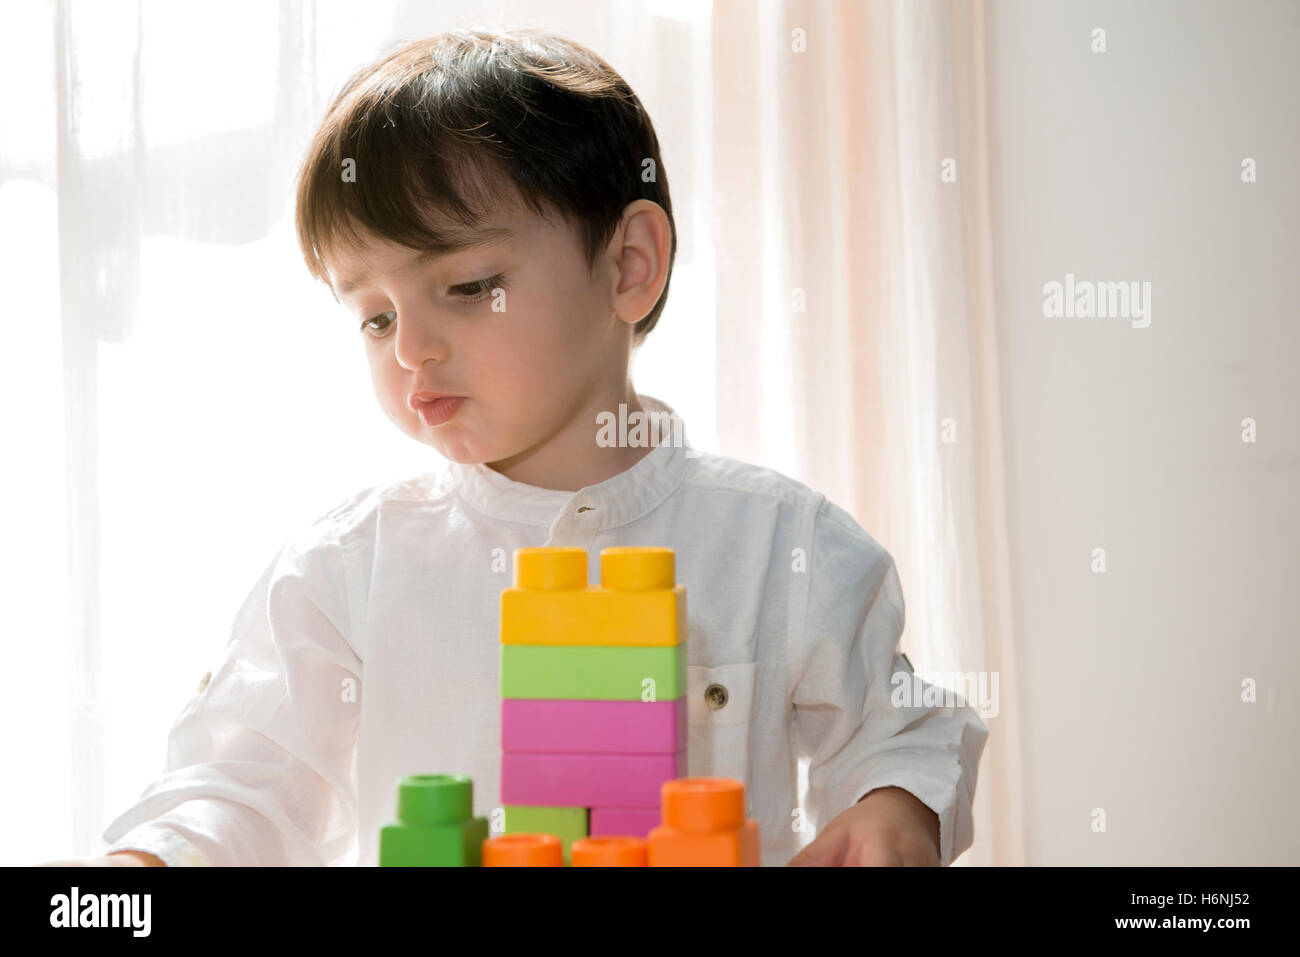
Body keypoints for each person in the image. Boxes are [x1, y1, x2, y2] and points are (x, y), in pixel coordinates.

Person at [45, 29, 986, 868]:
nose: (411, 346)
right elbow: (243, 782)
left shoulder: (785, 544)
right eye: (373, 315)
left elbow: (900, 730)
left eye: (466, 285)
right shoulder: (344, 569)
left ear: (627, 265)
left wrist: (894, 804)